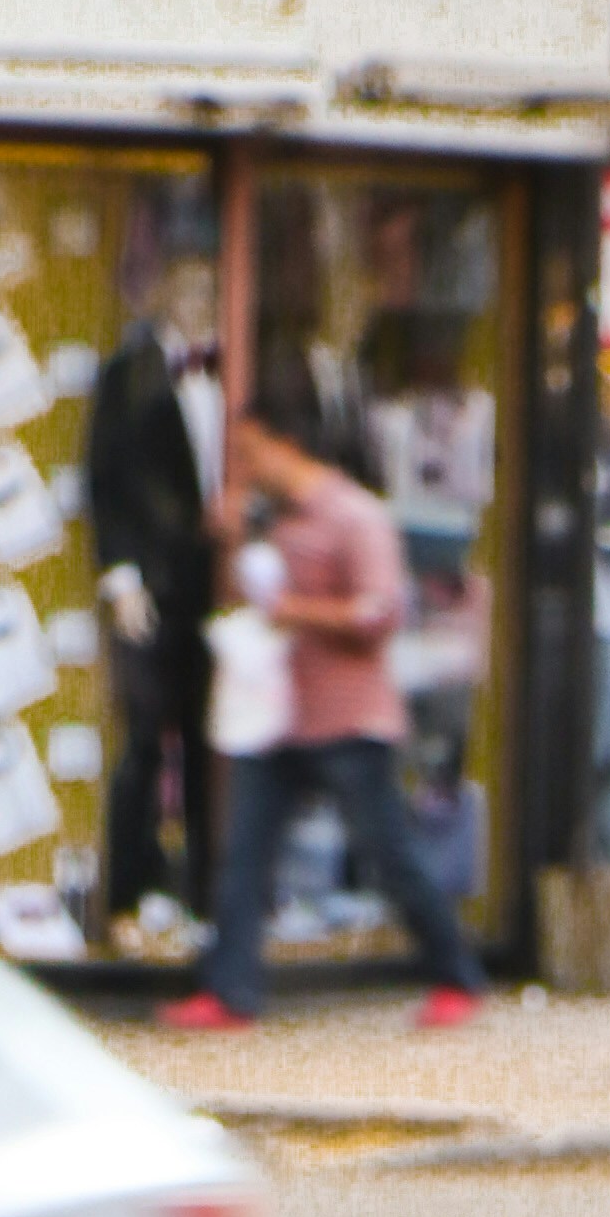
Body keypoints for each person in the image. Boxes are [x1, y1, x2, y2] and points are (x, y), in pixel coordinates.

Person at [159, 373, 485, 1039]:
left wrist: (294, 611)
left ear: (286, 446)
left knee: (389, 853)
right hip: (284, 717)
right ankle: (230, 991)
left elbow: (381, 611)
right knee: (245, 853)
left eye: (253, 452)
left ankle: (457, 973)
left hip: (351, 720)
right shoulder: (277, 521)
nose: (247, 468)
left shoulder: (354, 516)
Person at [83, 254, 229, 944]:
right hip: (149, 583)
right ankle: (126, 897)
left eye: (213, 290)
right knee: (143, 741)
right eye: (193, 286)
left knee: (209, 739)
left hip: (217, 586)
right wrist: (120, 577)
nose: (204, 300)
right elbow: (103, 479)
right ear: (168, 291)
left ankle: (203, 894)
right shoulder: (127, 373)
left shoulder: (234, 371)